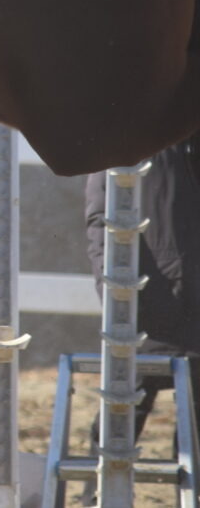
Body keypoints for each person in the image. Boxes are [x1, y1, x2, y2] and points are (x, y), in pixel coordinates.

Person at [83, 134, 200, 463]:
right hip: (146, 298)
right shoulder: (128, 134)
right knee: (122, 414)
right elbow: (99, 220)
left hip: (166, 294)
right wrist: (113, 285)